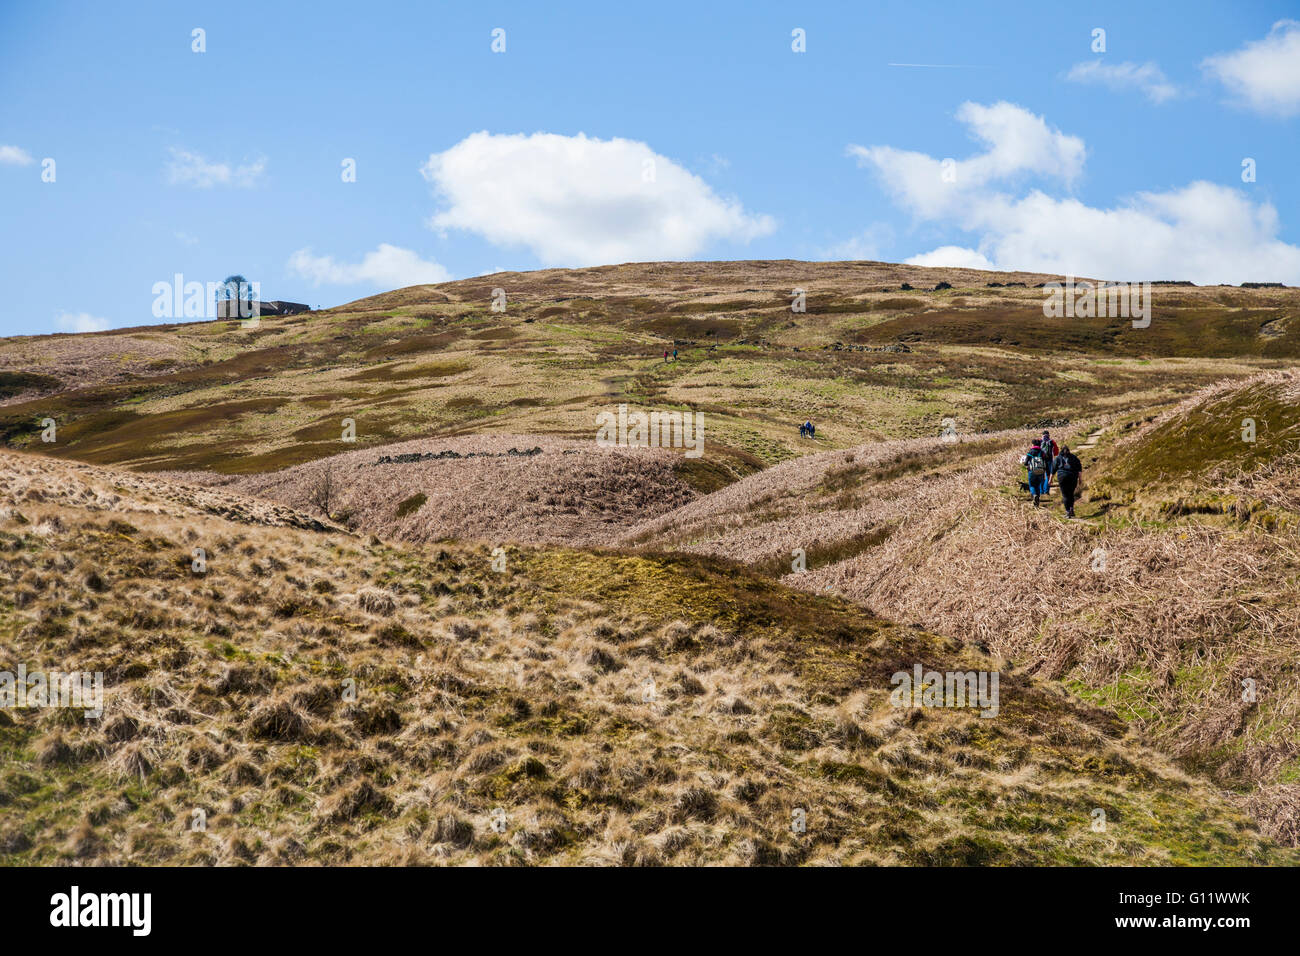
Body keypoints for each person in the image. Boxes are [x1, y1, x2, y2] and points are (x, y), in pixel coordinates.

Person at [1052, 444, 1083, 518]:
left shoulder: (1058, 458)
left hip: (1062, 477)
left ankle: (1068, 512)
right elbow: (1079, 470)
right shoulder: (1074, 458)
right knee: (1071, 494)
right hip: (1073, 477)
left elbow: (1053, 470)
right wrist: (1080, 480)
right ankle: (1071, 509)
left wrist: (1050, 480)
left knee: (1065, 495)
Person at [1025, 439, 1050, 506]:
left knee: (1032, 485)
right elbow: (1046, 463)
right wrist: (1047, 473)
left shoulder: (1031, 452)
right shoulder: (1042, 452)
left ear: (1033, 444)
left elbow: (1025, 462)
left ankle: (1034, 495)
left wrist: (1027, 466)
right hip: (1041, 472)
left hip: (1032, 471)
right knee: (1038, 485)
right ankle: (1037, 500)